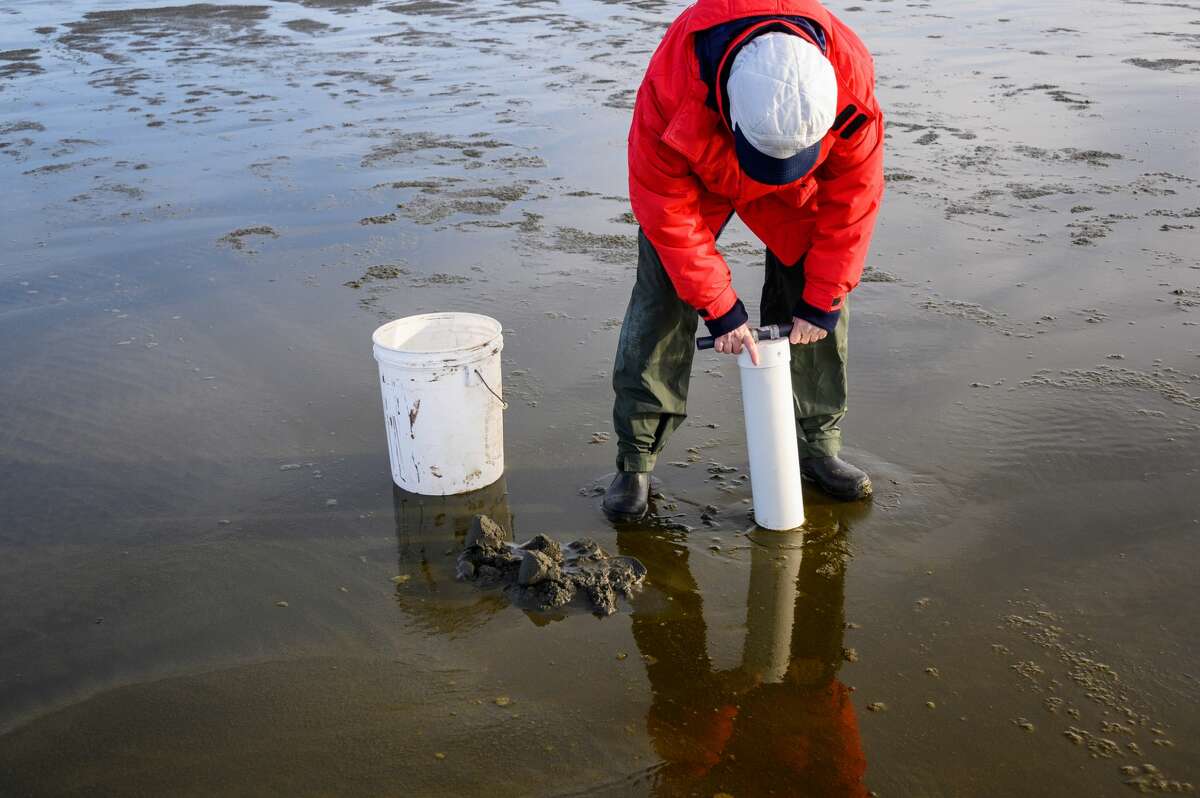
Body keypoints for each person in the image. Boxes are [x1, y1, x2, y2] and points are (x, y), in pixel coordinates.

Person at [604, 0, 884, 522]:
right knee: (663, 294)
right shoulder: (674, 82)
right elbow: (665, 208)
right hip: (698, 169)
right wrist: (720, 309)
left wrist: (822, 300)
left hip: (799, 188)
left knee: (819, 297)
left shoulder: (848, 76)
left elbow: (854, 199)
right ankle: (636, 459)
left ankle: (818, 446)